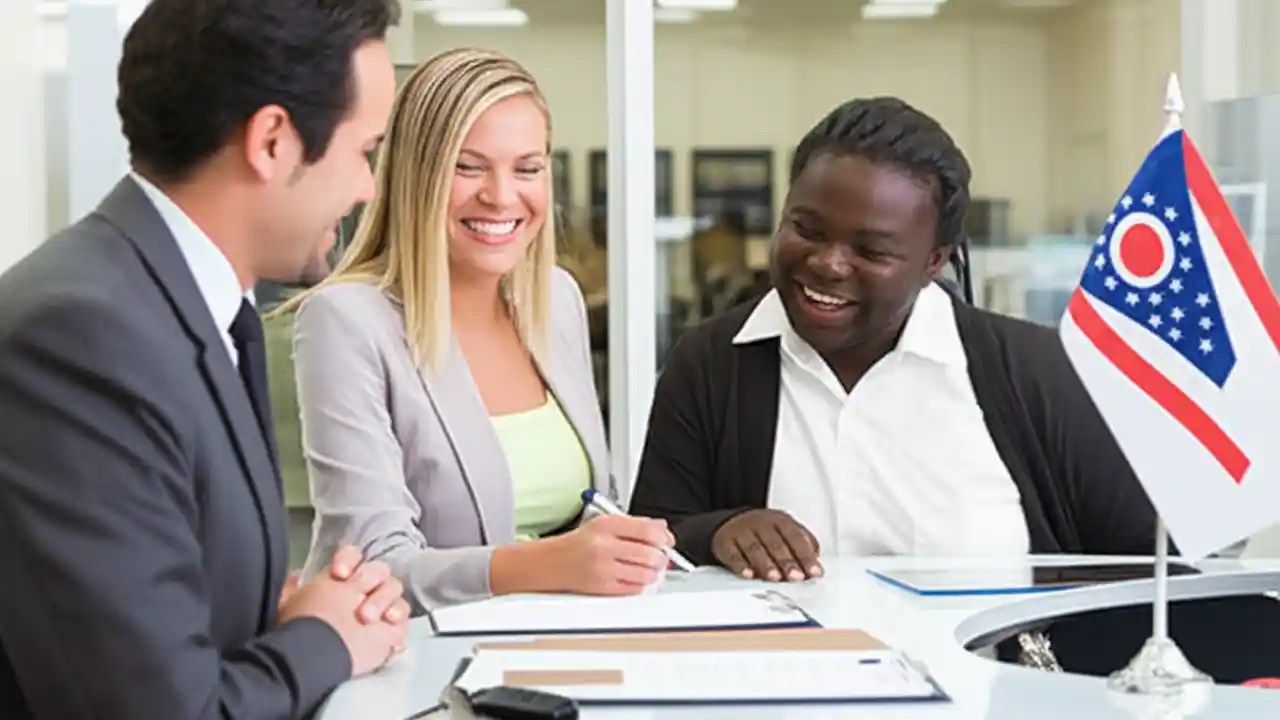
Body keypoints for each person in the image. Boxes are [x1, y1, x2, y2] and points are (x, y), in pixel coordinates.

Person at [0, 1, 411, 717]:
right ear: (273, 141)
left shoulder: (183, 306)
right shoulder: (80, 339)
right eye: (364, 152)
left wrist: (275, 613)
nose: (367, 188)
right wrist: (325, 638)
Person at [629, 97, 1161, 583]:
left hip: (994, 685)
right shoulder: (711, 362)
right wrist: (721, 530)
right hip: (784, 684)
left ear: (934, 261)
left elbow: (1141, 569)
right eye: (807, 229)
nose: (828, 263)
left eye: (873, 251)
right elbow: (648, 546)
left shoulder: (1035, 371)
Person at [281, 48, 673, 614]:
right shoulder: (346, 320)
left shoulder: (554, 300)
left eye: (528, 168)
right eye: (468, 166)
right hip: (413, 661)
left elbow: (591, 506)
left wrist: (620, 547)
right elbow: (372, 563)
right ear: (417, 176)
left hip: (561, 644)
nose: (501, 195)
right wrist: (553, 562)